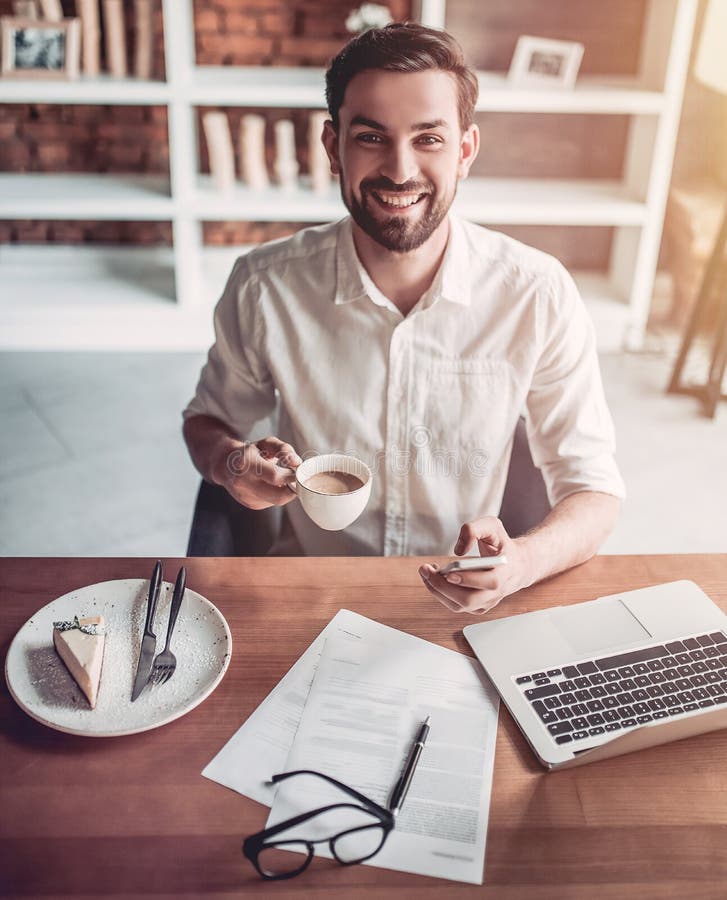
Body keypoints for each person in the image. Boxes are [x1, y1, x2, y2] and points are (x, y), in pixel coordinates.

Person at [183, 23, 625, 616]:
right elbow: (208, 420)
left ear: (464, 151)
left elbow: (594, 488)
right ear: (332, 147)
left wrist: (520, 563)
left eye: (428, 139)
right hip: (314, 594)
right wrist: (230, 463)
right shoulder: (264, 285)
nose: (399, 170)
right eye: (371, 137)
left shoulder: (537, 293)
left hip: (467, 606)